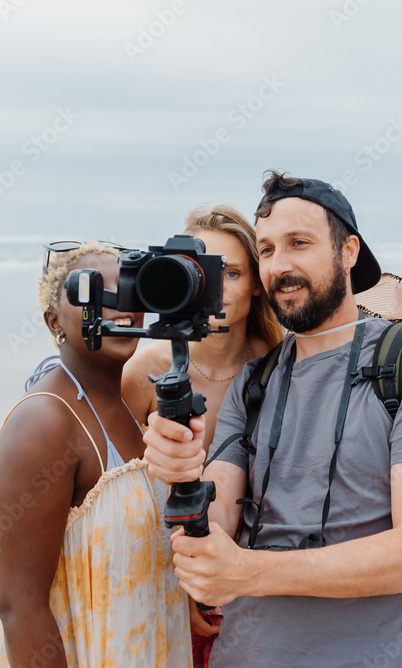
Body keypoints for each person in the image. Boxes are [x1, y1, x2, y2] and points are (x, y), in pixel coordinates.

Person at [143, 172, 402, 667]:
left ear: (348, 252)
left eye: (299, 243)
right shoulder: (254, 383)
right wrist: (180, 471)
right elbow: (216, 520)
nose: (281, 265)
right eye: (268, 250)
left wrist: (248, 571)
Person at [0, 241, 191, 668]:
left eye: (127, 287)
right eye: (90, 291)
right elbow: (18, 604)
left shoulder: (128, 404)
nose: (117, 303)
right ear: (55, 323)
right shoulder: (44, 422)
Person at [122, 205, 284, 666]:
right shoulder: (150, 372)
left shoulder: (281, 365)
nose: (216, 289)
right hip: (163, 574)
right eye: (202, 273)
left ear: (256, 281)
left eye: (230, 272)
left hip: (255, 578)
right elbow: (118, 488)